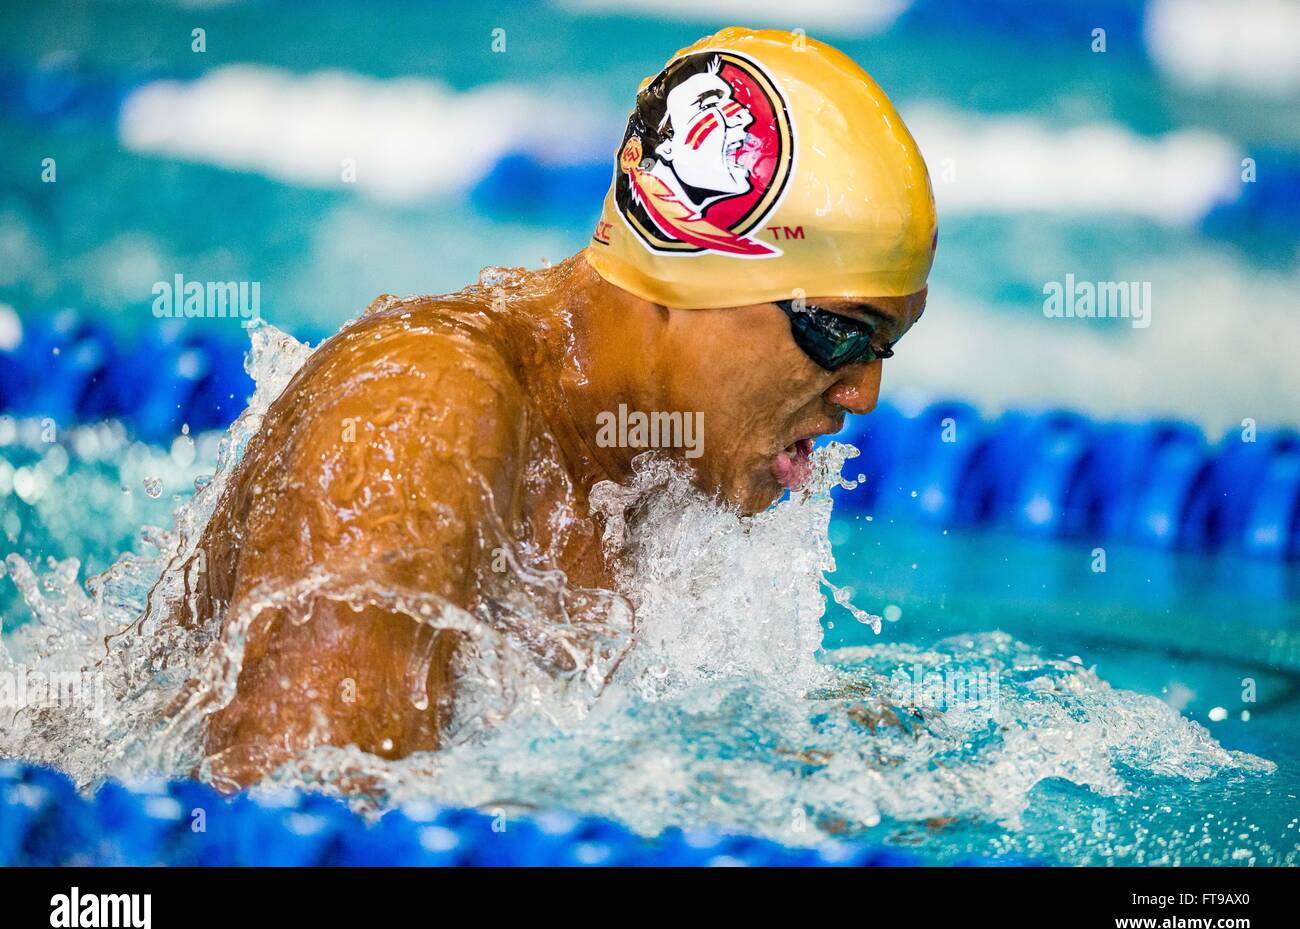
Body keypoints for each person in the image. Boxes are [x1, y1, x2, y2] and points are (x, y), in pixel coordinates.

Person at [187, 26, 936, 788]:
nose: (863, 394)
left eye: (885, 348)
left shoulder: (652, 468)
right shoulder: (421, 409)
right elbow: (294, 820)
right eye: (841, 332)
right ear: (692, 261)